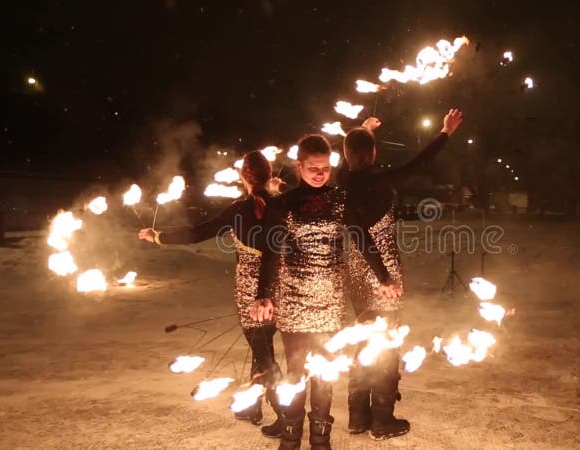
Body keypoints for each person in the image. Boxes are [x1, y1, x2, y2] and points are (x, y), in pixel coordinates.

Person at [251, 134, 401, 450]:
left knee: (324, 372)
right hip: (293, 296)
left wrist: (384, 277)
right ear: (299, 166)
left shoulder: (340, 200)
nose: (320, 174)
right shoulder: (283, 203)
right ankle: (290, 439)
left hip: (330, 298)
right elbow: (271, 252)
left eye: (325, 168)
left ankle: (321, 440)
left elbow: (362, 238)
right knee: (295, 370)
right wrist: (263, 293)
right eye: (313, 168)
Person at [138, 150, 286, 437]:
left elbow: (196, 233)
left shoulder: (237, 210)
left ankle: (285, 415)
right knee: (262, 348)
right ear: (269, 175)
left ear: (243, 177)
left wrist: (157, 236)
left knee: (264, 356)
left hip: (251, 293)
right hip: (277, 287)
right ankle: (252, 405)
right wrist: (280, 190)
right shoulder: (281, 204)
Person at [339, 109, 463, 440]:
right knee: (386, 345)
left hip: (356, 270)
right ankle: (382, 421)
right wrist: (445, 132)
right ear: (374, 153)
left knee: (364, 339)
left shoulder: (342, 182)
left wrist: (364, 130)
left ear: (346, 155)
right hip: (383, 273)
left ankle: (357, 416)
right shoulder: (380, 180)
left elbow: (357, 231)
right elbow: (419, 163)